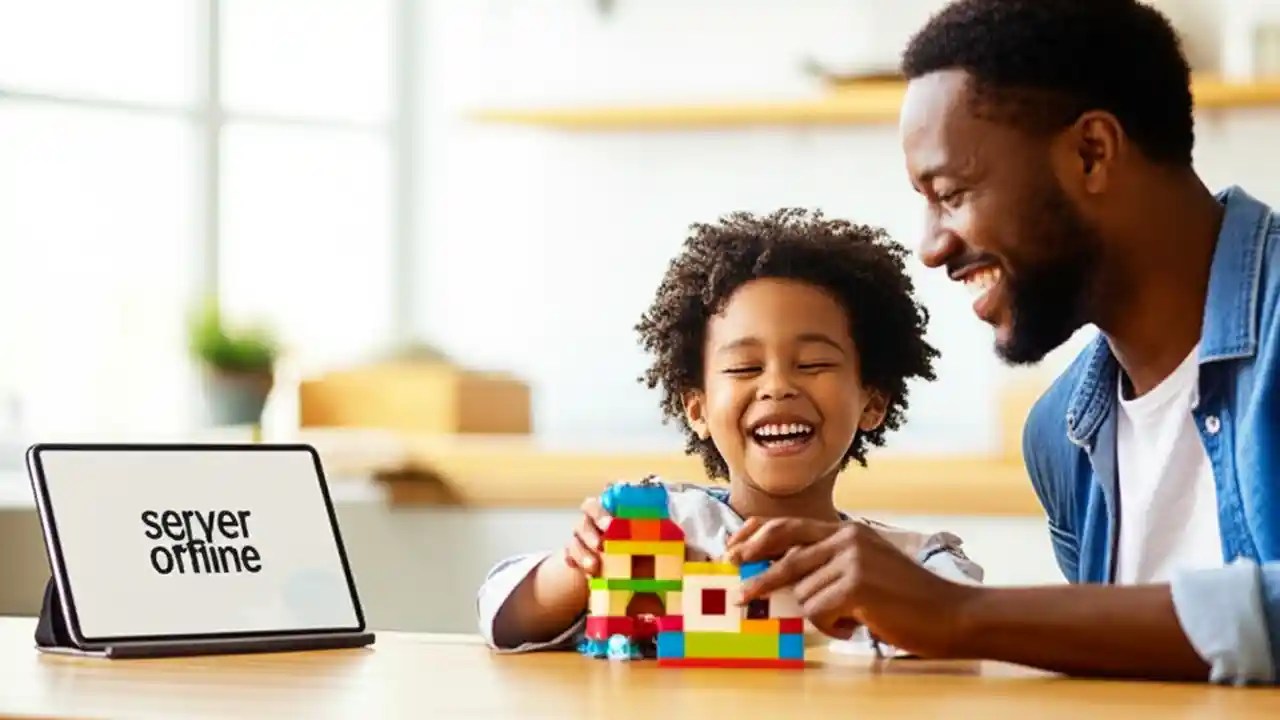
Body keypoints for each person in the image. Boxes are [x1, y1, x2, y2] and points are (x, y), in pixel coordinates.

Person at [727, 0, 1280, 686]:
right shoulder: (1063, 435)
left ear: (1091, 153)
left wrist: (962, 613)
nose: (931, 247)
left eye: (952, 193)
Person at [476, 209, 983, 653]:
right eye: (743, 368)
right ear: (697, 409)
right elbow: (501, 616)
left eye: (813, 364)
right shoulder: (668, 523)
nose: (777, 386)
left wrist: (898, 594)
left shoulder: (908, 560)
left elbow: (972, 624)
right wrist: (581, 570)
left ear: (872, 403)